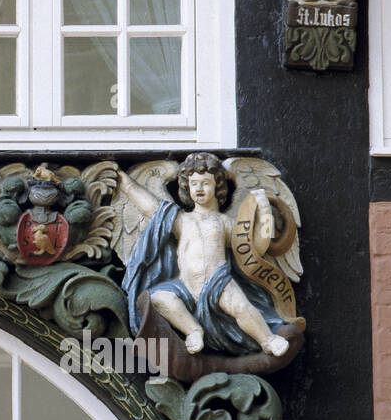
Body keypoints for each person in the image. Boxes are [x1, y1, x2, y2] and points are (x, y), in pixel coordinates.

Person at [118, 153, 300, 357]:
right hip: (184, 285)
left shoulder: (224, 222)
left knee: (240, 306)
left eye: (205, 183)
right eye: (193, 183)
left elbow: (253, 246)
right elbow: (150, 207)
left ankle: (268, 339)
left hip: (218, 282)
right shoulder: (181, 220)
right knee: (159, 298)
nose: (199, 188)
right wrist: (123, 181)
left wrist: (265, 212)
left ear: (218, 187)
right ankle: (193, 330)